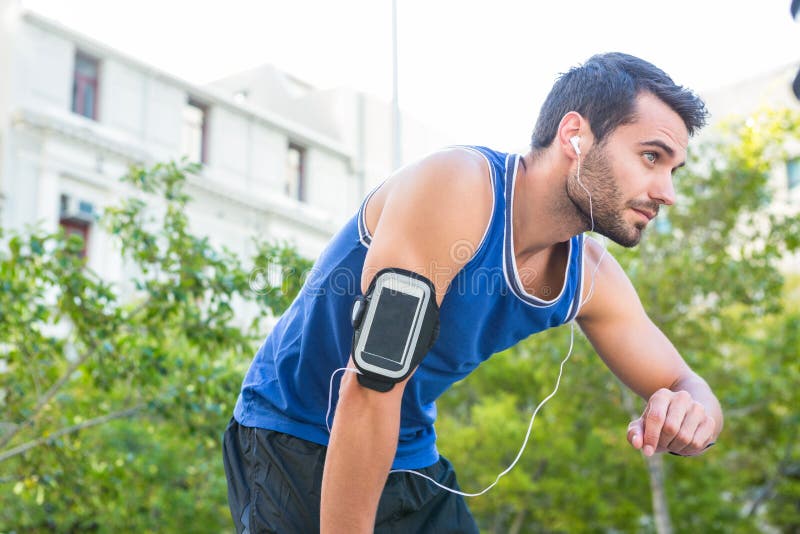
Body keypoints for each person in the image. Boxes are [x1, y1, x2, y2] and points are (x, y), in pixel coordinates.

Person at [222, 52, 724, 533]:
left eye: (672, 169)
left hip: (409, 452)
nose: (667, 192)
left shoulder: (591, 275)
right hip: (295, 433)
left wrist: (693, 412)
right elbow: (373, 383)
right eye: (651, 157)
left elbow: (685, 380)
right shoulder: (455, 189)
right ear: (575, 135)